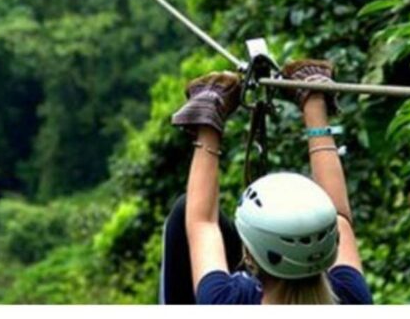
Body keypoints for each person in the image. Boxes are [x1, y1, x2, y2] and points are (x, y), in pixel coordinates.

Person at [159, 60, 372, 305]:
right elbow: (340, 217)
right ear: (329, 246)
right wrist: (314, 103)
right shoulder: (349, 298)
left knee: (181, 213)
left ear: (247, 256)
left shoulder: (226, 300)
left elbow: (201, 222)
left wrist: (209, 114)